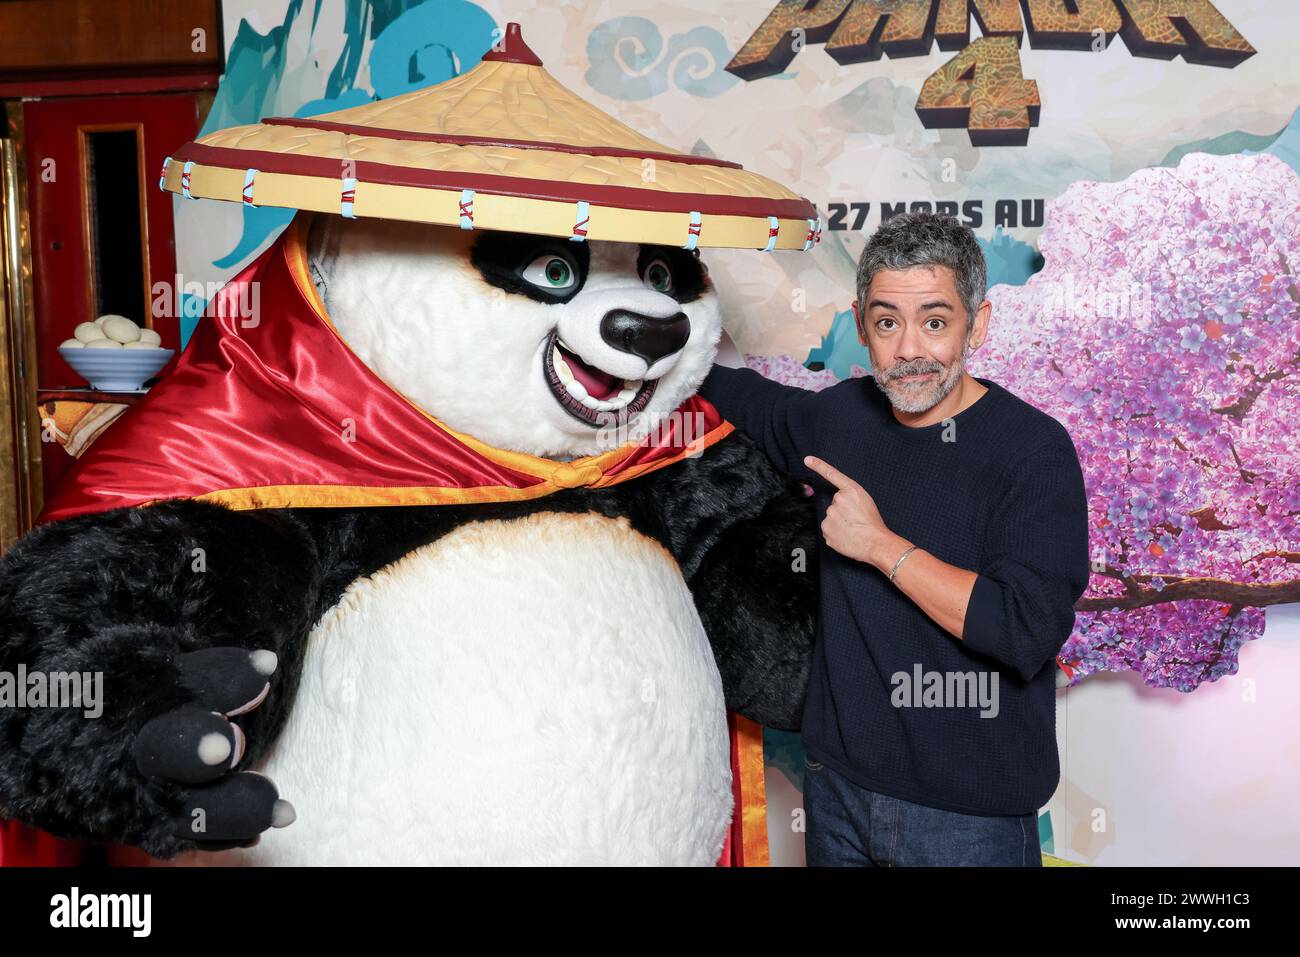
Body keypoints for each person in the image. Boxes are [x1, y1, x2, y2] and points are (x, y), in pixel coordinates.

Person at [698, 211, 1090, 867]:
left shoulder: (1032, 451)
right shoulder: (842, 418)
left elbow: (1024, 628)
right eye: (887, 322)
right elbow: (756, 403)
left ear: (978, 324)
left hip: (969, 823)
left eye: (935, 321)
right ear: (862, 326)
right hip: (839, 797)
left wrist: (879, 545)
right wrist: (667, 342)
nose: (909, 348)